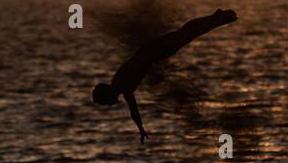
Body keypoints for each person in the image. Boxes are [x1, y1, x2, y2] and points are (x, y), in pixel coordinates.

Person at [92, 8, 237, 140]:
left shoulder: (122, 83)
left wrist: (153, 65)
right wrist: (141, 129)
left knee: (185, 34)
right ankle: (216, 19)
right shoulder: (123, 89)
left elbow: (138, 62)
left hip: (155, 51)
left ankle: (216, 18)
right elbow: (134, 111)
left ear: (107, 95)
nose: (110, 105)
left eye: (106, 103)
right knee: (186, 34)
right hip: (155, 52)